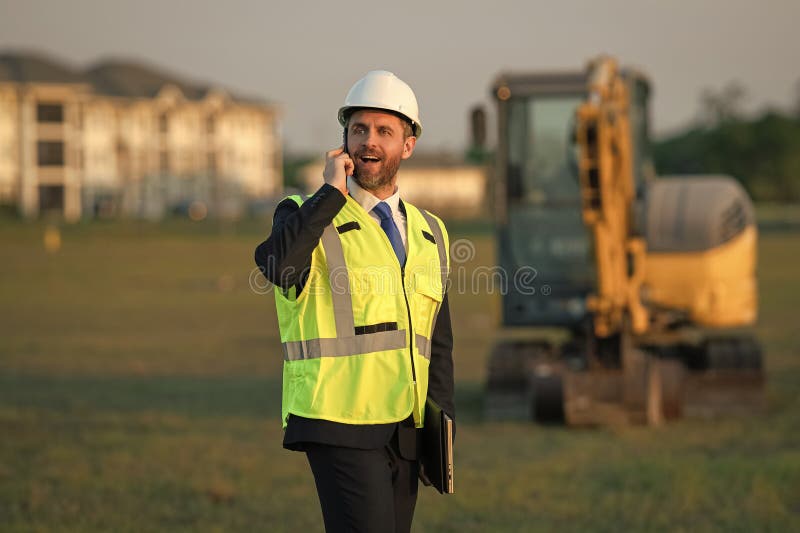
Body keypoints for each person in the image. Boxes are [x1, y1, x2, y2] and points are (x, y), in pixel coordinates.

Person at [254, 70, 455, 533]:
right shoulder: (302, 212)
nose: (369, 141)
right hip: (337, 421)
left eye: (384, 131)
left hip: (404, 431)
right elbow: (280, 267)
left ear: (407, 145)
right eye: (359, 129)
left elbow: (437, 343)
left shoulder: (432, 233)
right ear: (343, 139)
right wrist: (329, 193)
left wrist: (441, 429)